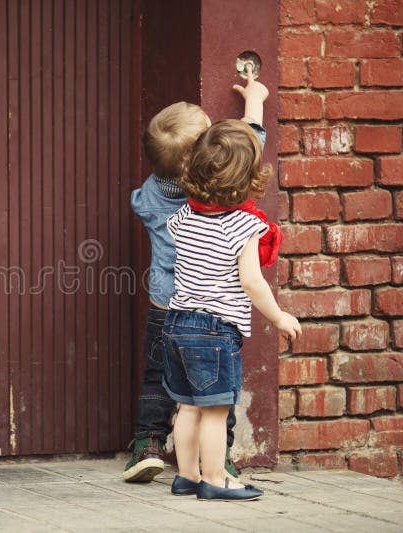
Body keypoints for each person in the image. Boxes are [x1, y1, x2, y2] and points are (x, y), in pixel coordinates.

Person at [123, 72, 268, 484]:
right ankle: (218, 460)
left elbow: (142, 197)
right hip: (211, 309)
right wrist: (254, 100)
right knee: (217, 387)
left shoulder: (149, 197)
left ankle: (146, 445)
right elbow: (250, 145)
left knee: (159, 376)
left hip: (164, 305)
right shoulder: (210, 197)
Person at [163, 78, 302, 501]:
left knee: (186, 406)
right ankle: (215, 479)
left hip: (175, 323)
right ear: (247, 183)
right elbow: (251, 281)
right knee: (215, 410)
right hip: (214, 330)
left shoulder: (184, 216)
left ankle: (186, 475)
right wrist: (278, 316)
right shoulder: (244, 225)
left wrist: (251, 113)